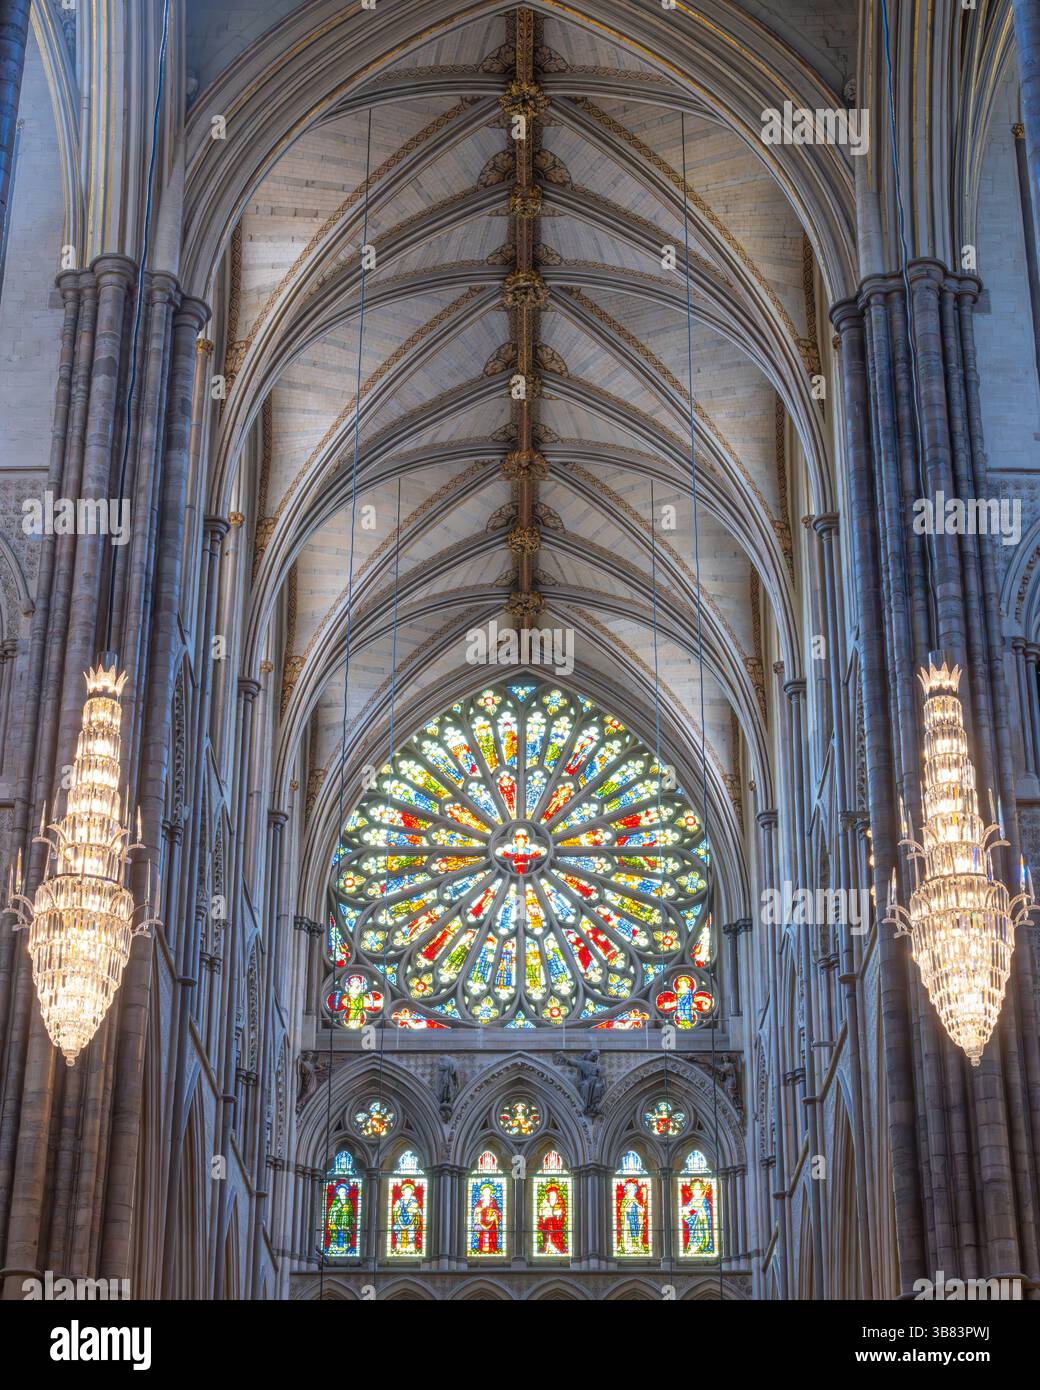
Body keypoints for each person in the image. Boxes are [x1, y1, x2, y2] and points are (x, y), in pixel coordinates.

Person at [390, 1180, 423, 1255]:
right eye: (406, 1191)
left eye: (409, 1191)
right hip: (400, 1220)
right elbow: (395, 1210)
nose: (408, 1192)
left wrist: (414, 1210)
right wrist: (396, 1209)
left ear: (412, 1192)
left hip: (411, 1221)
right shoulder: (400, 1201)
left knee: (411, 1235)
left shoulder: (414, 1201)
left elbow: (418, 1210)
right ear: (403, 1192)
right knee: (399, 1236)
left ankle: (411, 1249)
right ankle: (399, 1250)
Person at [325, 1182, 356, 1256]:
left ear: (346, 1192)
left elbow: (351, 1210)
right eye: (341, 1191)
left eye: (344, 1191)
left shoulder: (347, 1200)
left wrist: (347, 1211)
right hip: (337, 1220)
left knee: (345, 1234)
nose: (342, 1193)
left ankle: (345, 1247)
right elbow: (332, 1210)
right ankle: (335, 1247)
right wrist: (338, 1207)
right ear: (338, 1192)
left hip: (346, 1220)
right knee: (336, 1233)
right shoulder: (336, 1200)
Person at [536, 1183, 568, 1255]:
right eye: (550, 1195)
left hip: (557, 1225)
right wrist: (544, 1215)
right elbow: (541, 1213)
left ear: (556, 1195)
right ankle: (547, 1248)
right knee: (547, 1236)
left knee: (556, 1237)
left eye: (553, 1195)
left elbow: (562, 1213)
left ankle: (557, 1248)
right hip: (547, 1225)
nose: (552, 1196)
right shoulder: (545, 1202)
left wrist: (557, 1214)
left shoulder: (560, 1201)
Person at [472, 1182, 502, 1254]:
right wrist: (481, 1208)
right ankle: (481, 1249)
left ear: (490, 1192)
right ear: (482, 1192)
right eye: (485, 1191)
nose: (486, 1192)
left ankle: (492, 1249)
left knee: (492, 1234)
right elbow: (476, 1209)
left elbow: (497, 1210)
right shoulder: (480, 1200)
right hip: (482, 1219)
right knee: (483, 1234)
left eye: (488, 1191)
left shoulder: (493, 1200)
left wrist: (494, 1216)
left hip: (492, 1220)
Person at [617, 1179, 646, 1254]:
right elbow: (623, 1209)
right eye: (631, 1191)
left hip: (635, 1220)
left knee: (636, 1234)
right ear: (628, 1191)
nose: (633, 1193)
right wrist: (627, 1209)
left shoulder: (635, 1200)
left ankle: (636, 1247)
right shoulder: (625, 1200)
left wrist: (641, 1210)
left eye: (633, 1191)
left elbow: (638, 1208)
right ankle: (627, 1247)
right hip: (628, 1221)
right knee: (628, 1234)